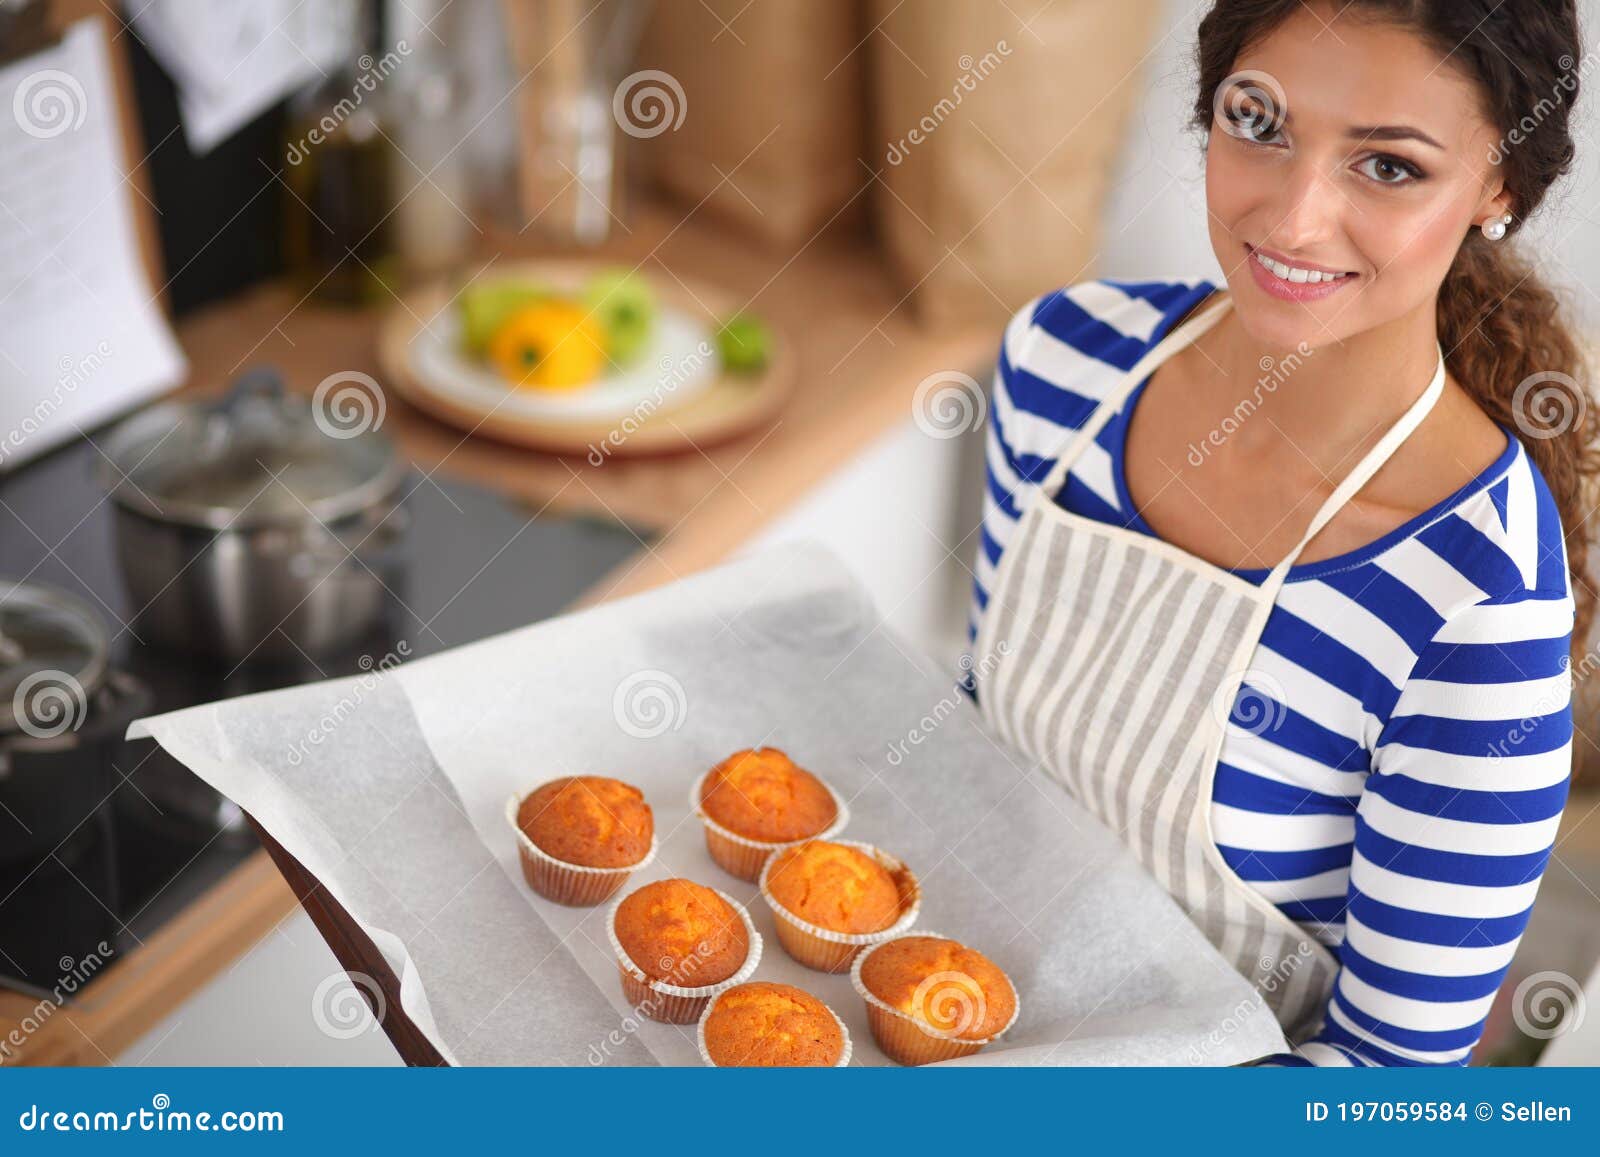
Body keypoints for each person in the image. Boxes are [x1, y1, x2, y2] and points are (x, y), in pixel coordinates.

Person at [966, 0, 1593, 1066]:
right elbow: (975, 769)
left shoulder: (1476, 598)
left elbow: (1385, 1091)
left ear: (1498, 185)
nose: (1294, 220)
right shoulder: (1062, 364)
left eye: (1387, 166)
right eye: (1259, 124)